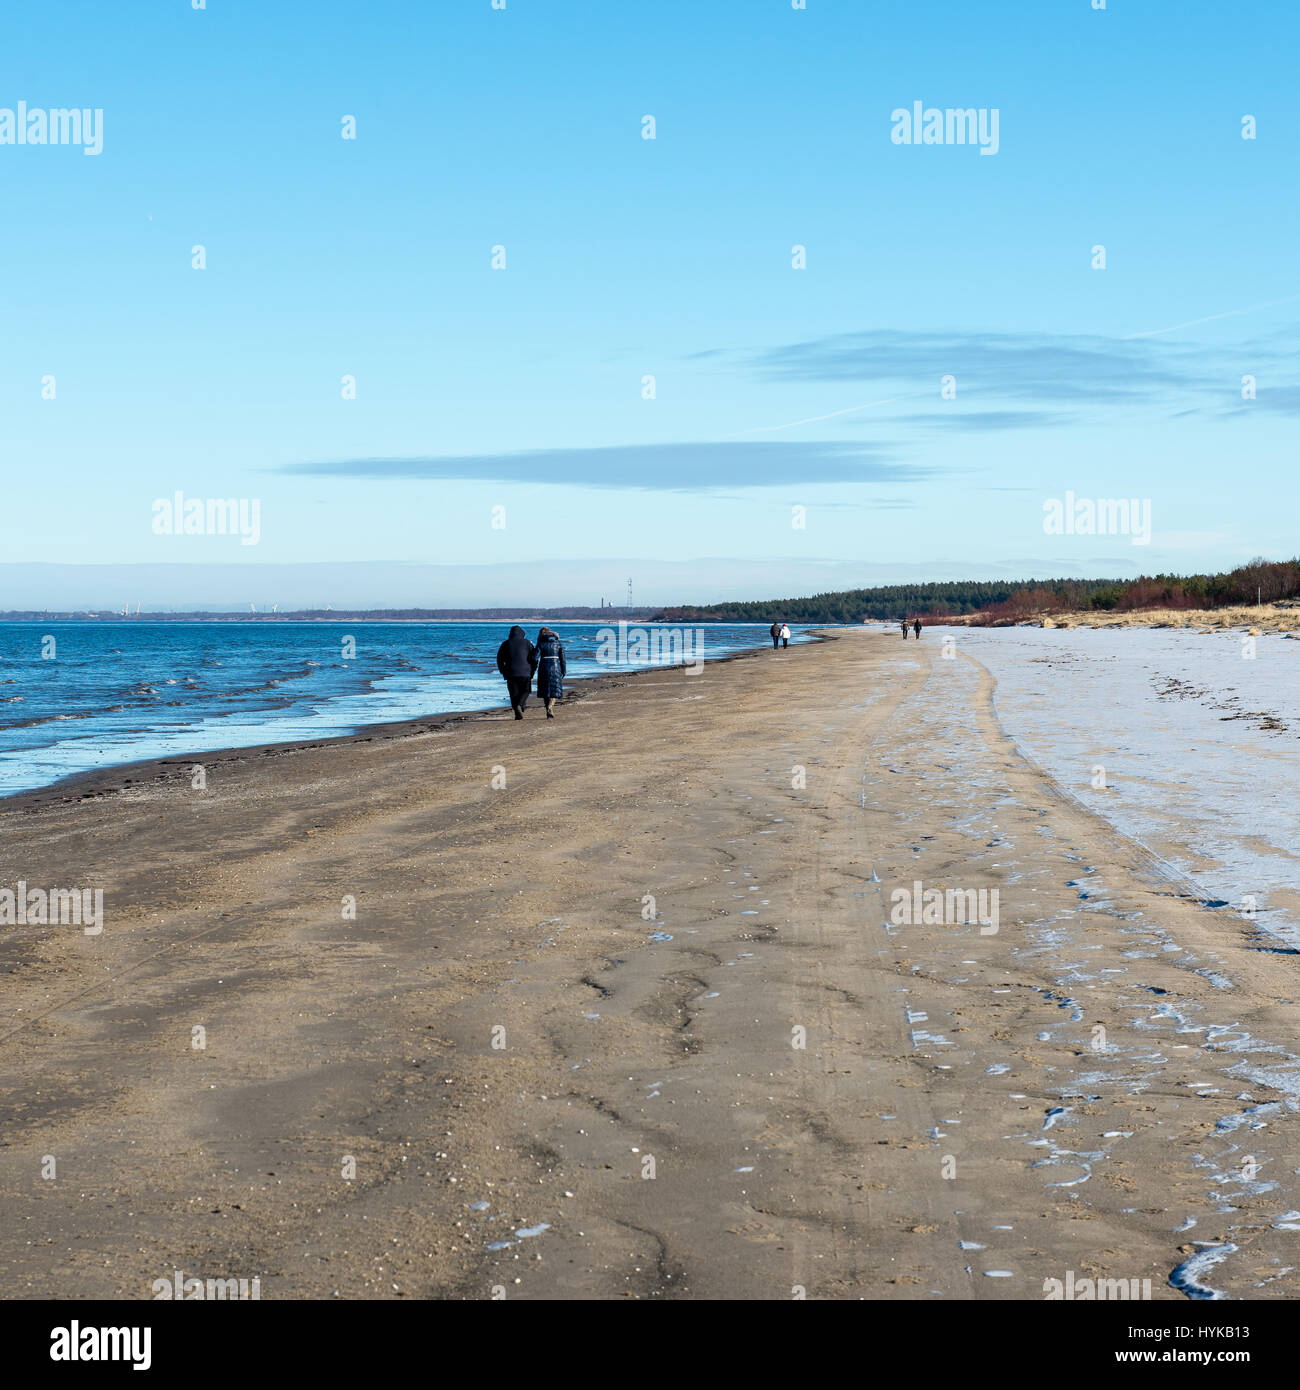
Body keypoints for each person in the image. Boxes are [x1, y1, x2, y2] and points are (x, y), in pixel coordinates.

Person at [496, 624, 537, 719]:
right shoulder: (528, 643)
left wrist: (502, 671)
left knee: (513, 693)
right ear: (522, 634)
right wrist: (532, 671)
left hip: (510, 672)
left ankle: (517, 711)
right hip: (525, 672)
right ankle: (521, 703)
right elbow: (534, 659)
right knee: (526, 691)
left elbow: (499, 659)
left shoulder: (505, 644)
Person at [535, 626, 566, 718]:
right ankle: (550, 706)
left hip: (544, 666)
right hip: (556, 666)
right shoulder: (558, 643)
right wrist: (564, 669)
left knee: (545, 689)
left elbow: (534, 657)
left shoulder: (540, 643)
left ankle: (547, 708)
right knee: (554, 688)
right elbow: (562, 658)